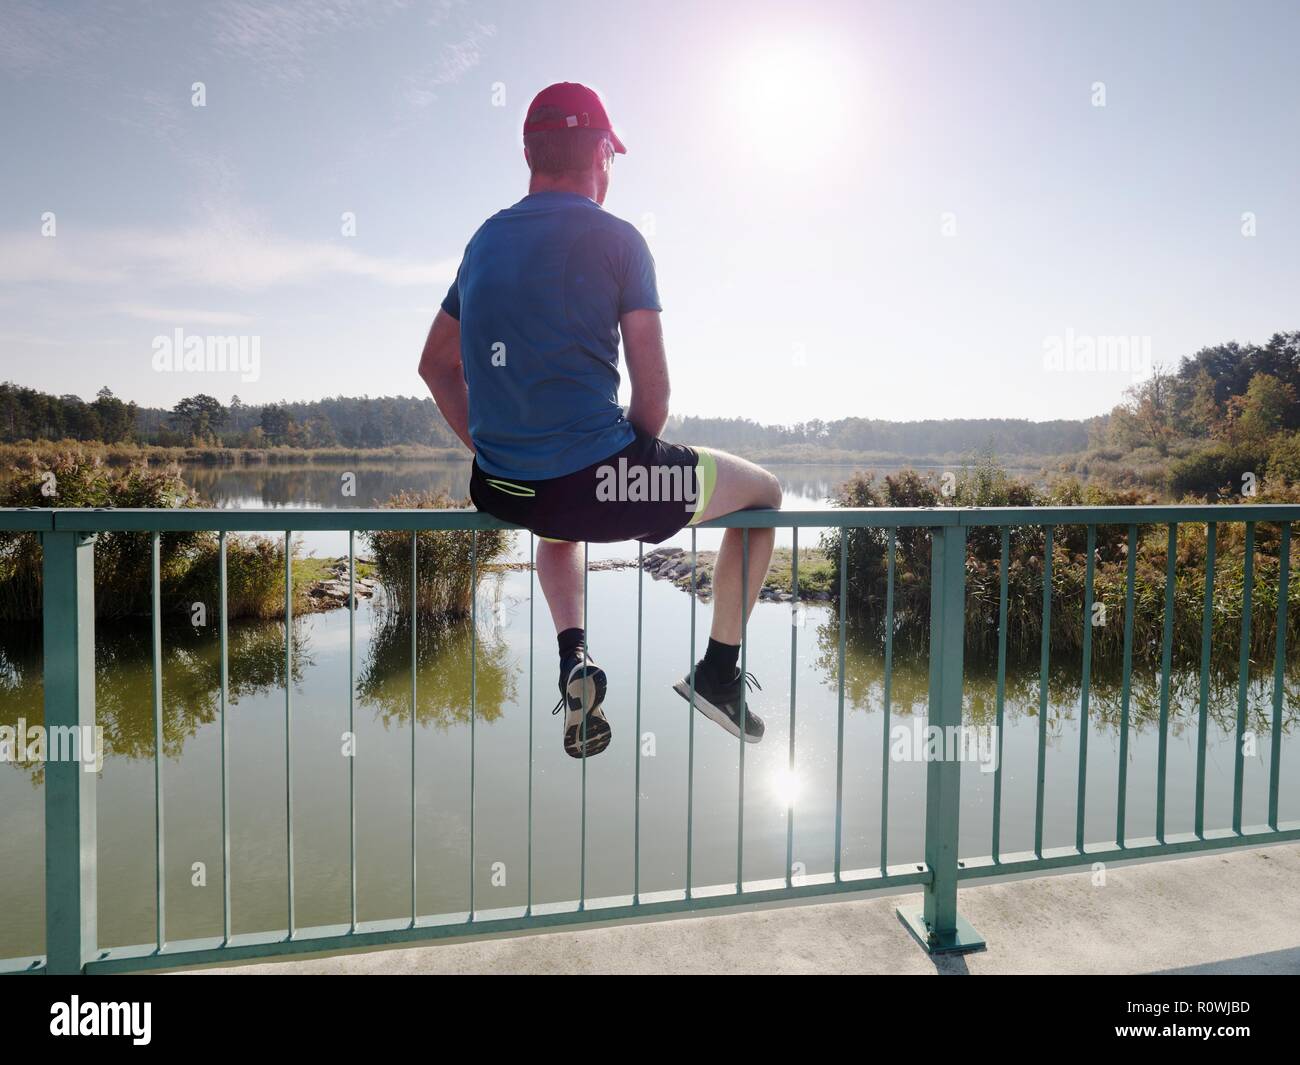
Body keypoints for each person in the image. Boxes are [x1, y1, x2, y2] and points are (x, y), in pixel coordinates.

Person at [419, 82, 781, 760]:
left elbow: (435, 366)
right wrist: (635, 464)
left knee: (557, 518)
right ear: (601, 156)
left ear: (532, 153)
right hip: (604, 485)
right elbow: (655, 394)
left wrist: (496, 448)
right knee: (765, 492)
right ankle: (718, 673)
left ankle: (573, 657)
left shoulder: (482, 242)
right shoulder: (619, 240)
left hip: (501, 485)